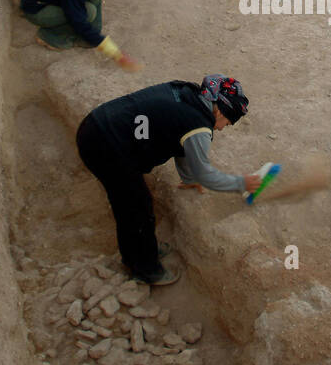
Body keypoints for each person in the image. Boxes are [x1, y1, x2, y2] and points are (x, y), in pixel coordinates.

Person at [76, 75, 262, 286]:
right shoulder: (199, 126)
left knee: (134, 204)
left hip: (98, 124)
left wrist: (188, 178)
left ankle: (144, 250)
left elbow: (180, 143)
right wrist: (241, 184)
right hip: (103, 145)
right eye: (228, 122)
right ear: (220, 111)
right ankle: (145, 269)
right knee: (136, 208)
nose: (222, 127)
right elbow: (206, 175)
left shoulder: (189, 95)